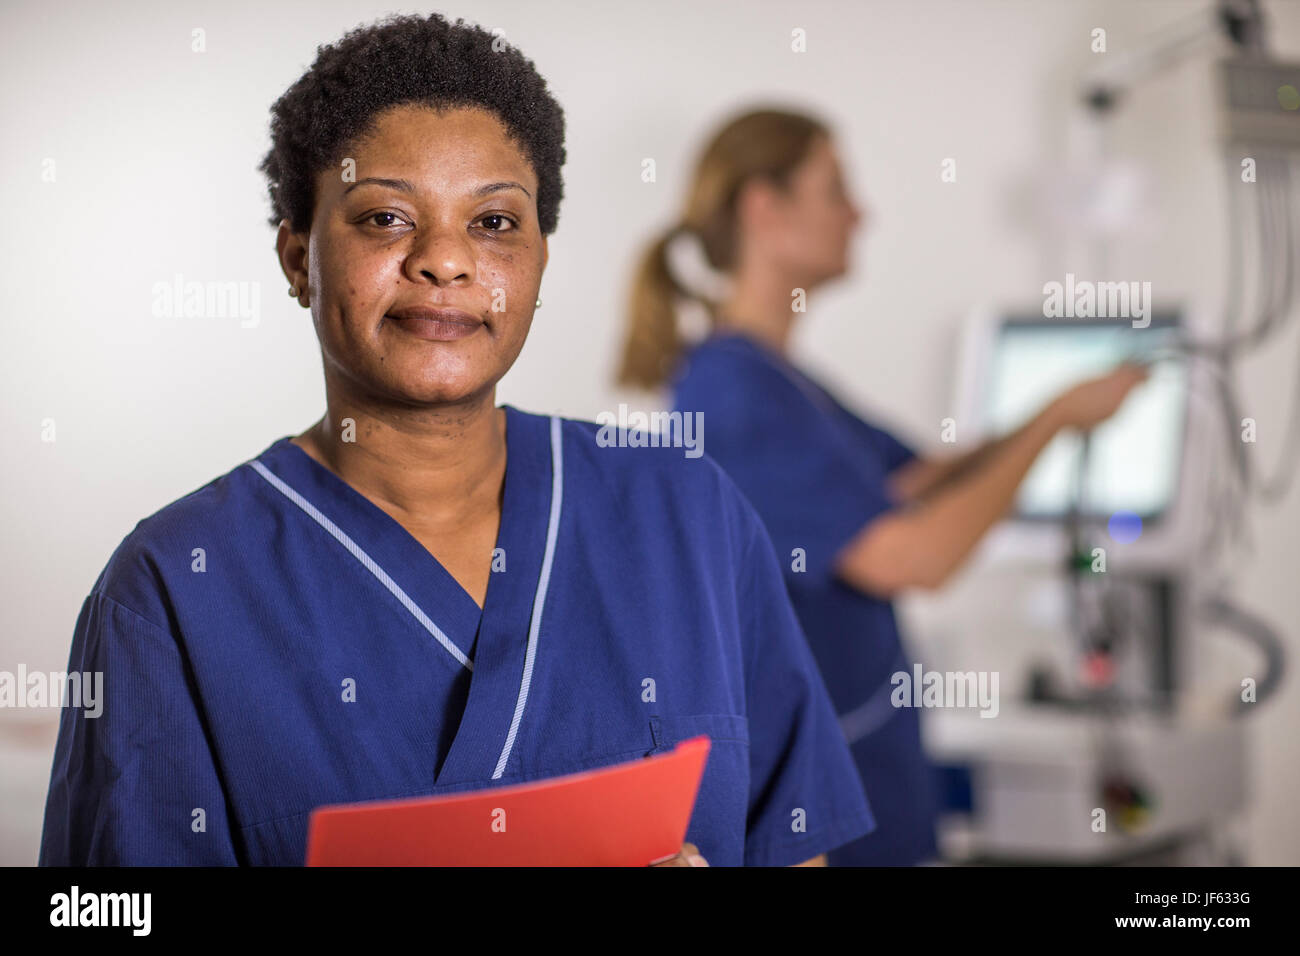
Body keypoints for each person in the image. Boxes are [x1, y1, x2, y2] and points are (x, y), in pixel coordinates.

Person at [37, 21, 875, 868]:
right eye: (387, 217)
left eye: (495, 222)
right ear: (298, 258)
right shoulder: (173, 590)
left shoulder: (688, 517)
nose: (444, 260)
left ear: (541, 258)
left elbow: (792, 843)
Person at [617, 107, 1148, 865]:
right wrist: (1058, 419)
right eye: (835, 188)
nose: (859, 212)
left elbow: (916, 479)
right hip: (827, 799)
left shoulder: (780, 382)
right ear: (764, 208)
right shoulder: (736, 397)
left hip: (871, 770)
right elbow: (912, 557)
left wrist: (1052, 403)